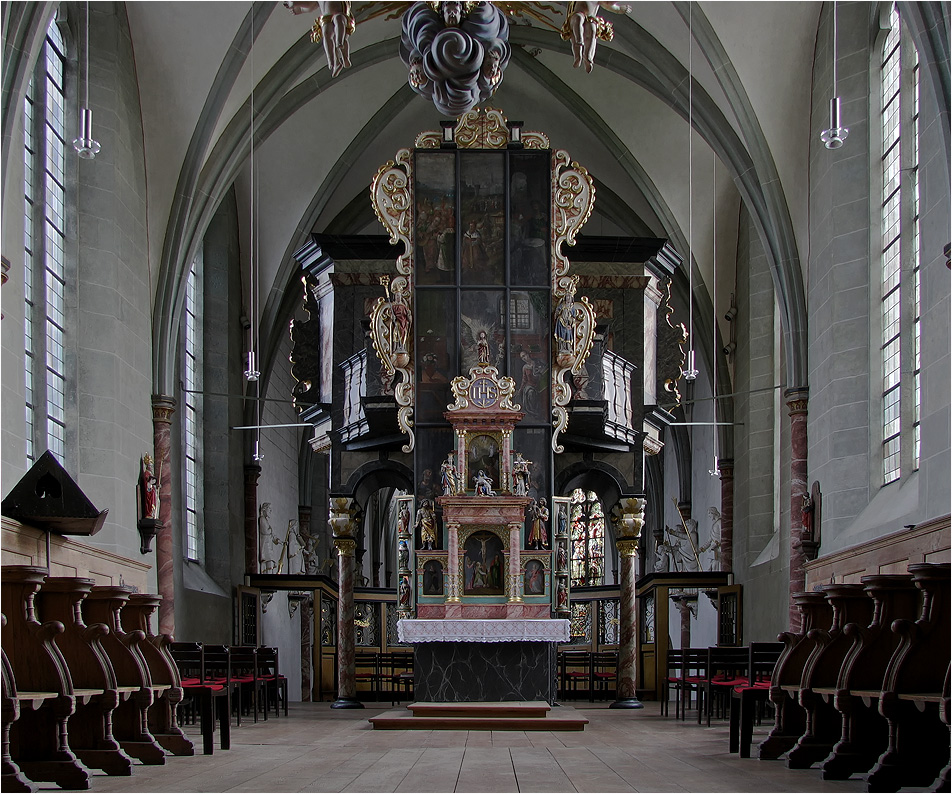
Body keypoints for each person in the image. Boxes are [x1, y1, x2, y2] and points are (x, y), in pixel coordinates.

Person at [561, 2, 630, 74]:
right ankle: (578, 53)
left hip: (590, 18)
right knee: (578, 20)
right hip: (577, 14)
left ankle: (588, 56)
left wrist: (619, 9)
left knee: (592, 30)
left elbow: (608, 4)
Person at [138, 454, 159, 521]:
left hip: (152, 491)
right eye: (150, 465)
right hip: (149, 491)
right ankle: (149, 514)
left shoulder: (150, 473)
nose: (151, 467)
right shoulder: (146, 473)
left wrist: (156, 485)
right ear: (147, 466)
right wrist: (151, 483)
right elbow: (146, 483)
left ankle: (154, 514)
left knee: (157, 501)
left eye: (151, 465)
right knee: (150, 503)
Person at [258, 503, 277, 573]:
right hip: (265, 545)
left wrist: (279, 541)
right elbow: (265, 531)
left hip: (269, 545)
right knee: (268, 563)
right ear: (264, 509)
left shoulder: (266, 520)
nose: (270, 511)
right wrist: (271, 530)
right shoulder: (262, 519)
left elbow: (271, 534)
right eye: (269, 509)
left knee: (270, 564)